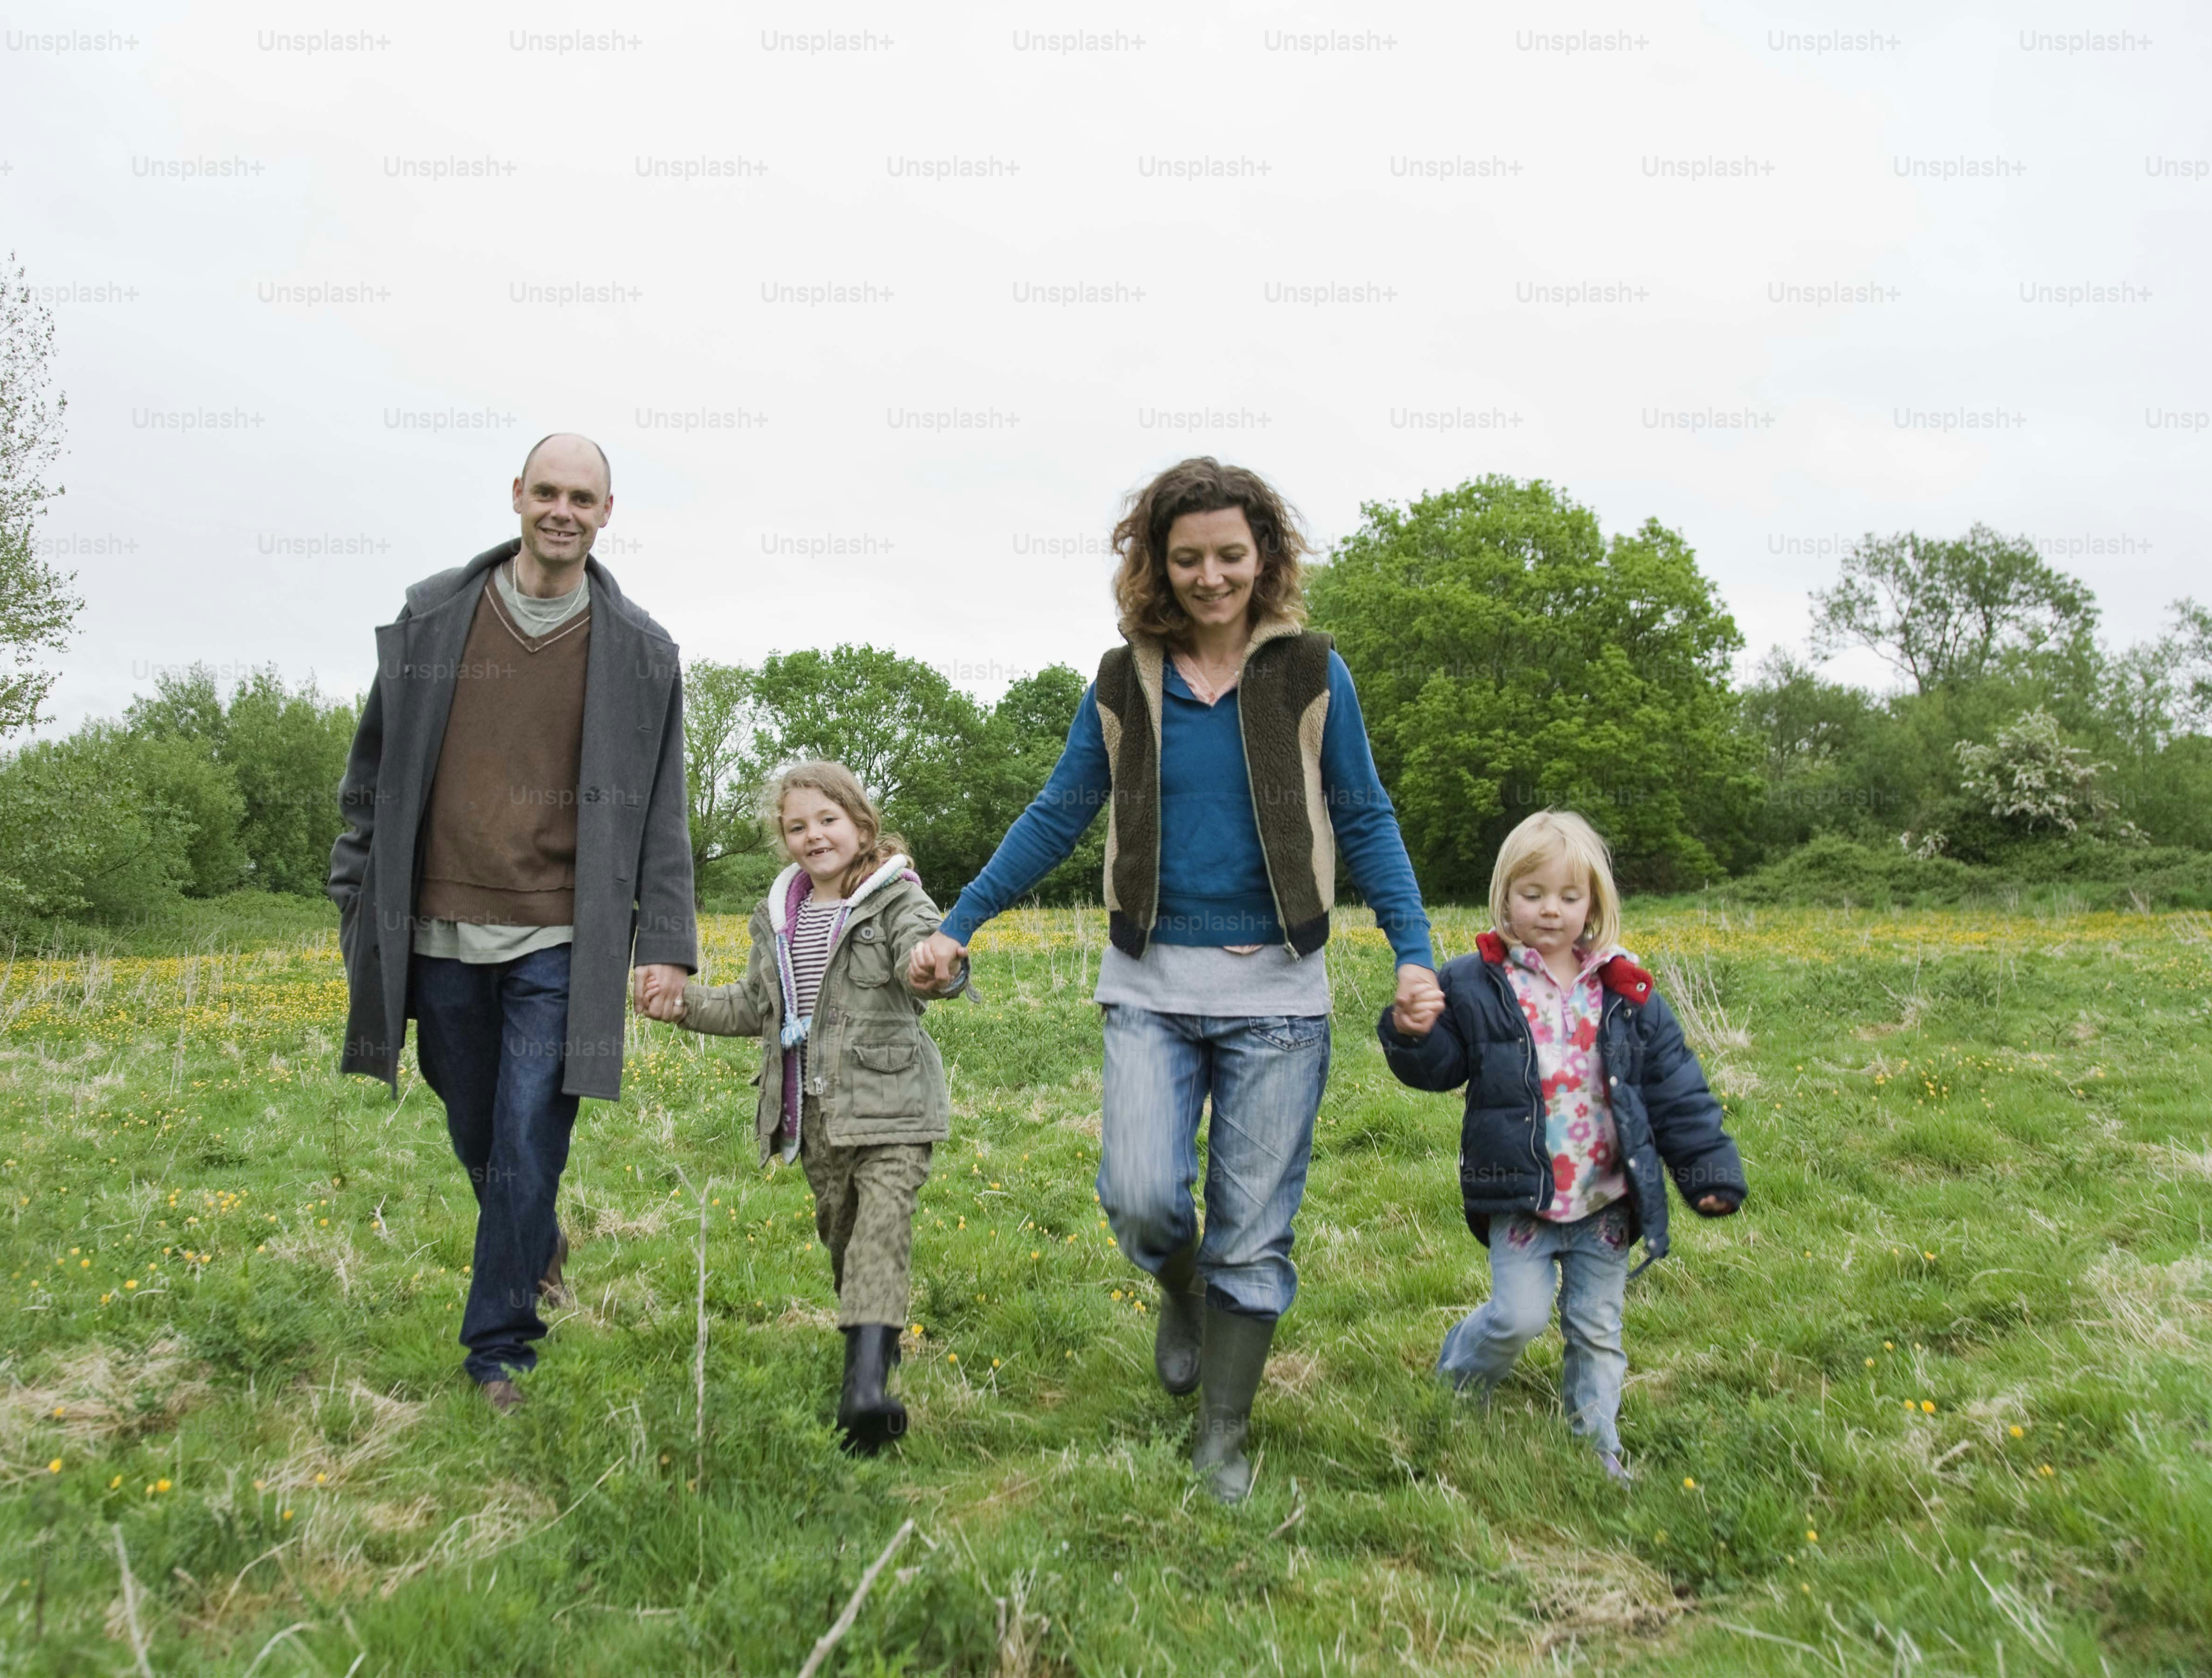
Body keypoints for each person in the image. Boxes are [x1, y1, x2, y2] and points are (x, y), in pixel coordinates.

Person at [907, 456, 1442, 1502]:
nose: (1210, 576)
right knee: (1143, 1195)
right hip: (1150, 981)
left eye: (1230, 555)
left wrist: (1413, 949)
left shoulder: (1315, 673)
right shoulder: (1123, 679)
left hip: (1279, 995)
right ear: (1156, 561)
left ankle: (1224, 1434)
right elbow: (1060, 811)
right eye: (1187, 556)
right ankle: (1179, 1284)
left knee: (1257, 1225)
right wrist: (958, 921)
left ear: (1265, 556)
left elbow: (1367, 816)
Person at [329, 433, 697, 1413]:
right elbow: (370, 774)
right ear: (517, 497)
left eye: (583, 496)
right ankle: (535, 1239)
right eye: (548, 491)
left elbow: (664, 808)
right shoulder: (435, 614)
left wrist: (665, 940)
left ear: (607, 513)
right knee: (476, 1125)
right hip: (438, 928)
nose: (563, 510)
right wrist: (351, 896)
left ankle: (500, 1351)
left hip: (559, 940)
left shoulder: (643, 651)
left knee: (530, 1136)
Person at [1377, 809, 1747, 1480]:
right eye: (1533, 894)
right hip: (1520, 1196)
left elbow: (1676, 1088)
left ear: (1592, 905)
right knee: (1517, 1318)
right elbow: (1437, 1070)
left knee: (1596, 1328)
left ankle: (1594, 1445)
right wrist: (1412, 1032)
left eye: (1568, 897)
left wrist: (1707, 1172)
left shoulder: (1625, 991)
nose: (1550, 911)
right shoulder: (1472, 983)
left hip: (1605, 1199)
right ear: (1505, 899)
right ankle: (1458, 1379)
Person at [641, 762, 965, 1452]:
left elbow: (926, 953)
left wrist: (935, 968)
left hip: (895, 1106)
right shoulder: (779, 919)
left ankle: (865, 1391)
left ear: (861, 823)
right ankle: (876, 1341)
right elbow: (752, 1007)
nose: (813, 835)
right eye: (797, 826)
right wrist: (679, 1005)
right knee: (843, 1238)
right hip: (814, 1115)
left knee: (881, 1230)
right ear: (784, 841)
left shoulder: (897, 901)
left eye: (827, 820)